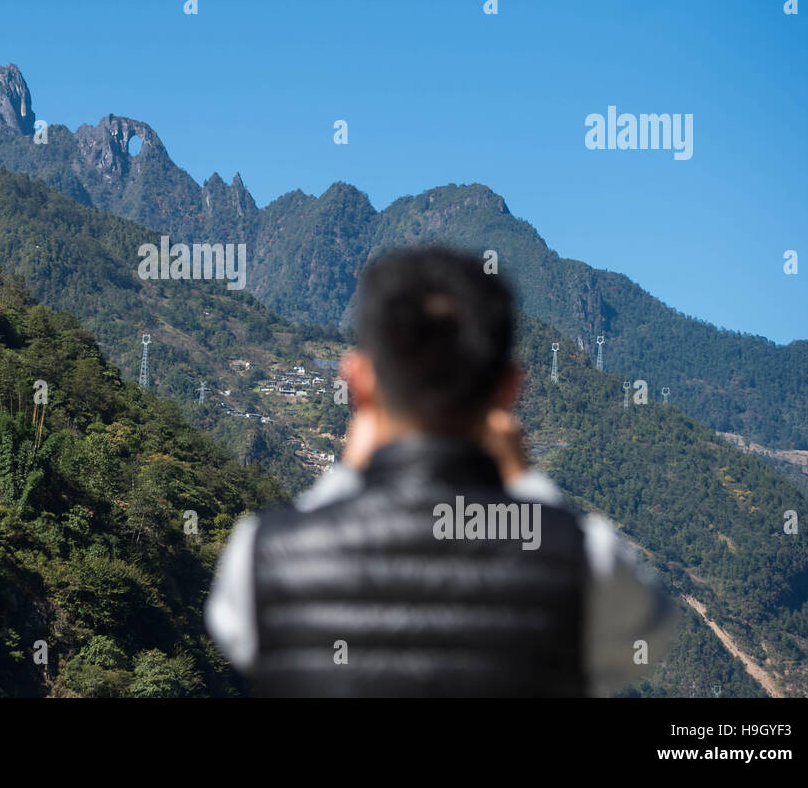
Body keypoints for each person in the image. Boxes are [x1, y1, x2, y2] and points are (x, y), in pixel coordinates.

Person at [205, 246, 677, 696]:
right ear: (510, 388)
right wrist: (526, 482)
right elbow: (649, 633)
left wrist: (347, 473)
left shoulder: (260, 557)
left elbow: (238, 636)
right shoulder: (586, 560)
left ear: (357, 381)